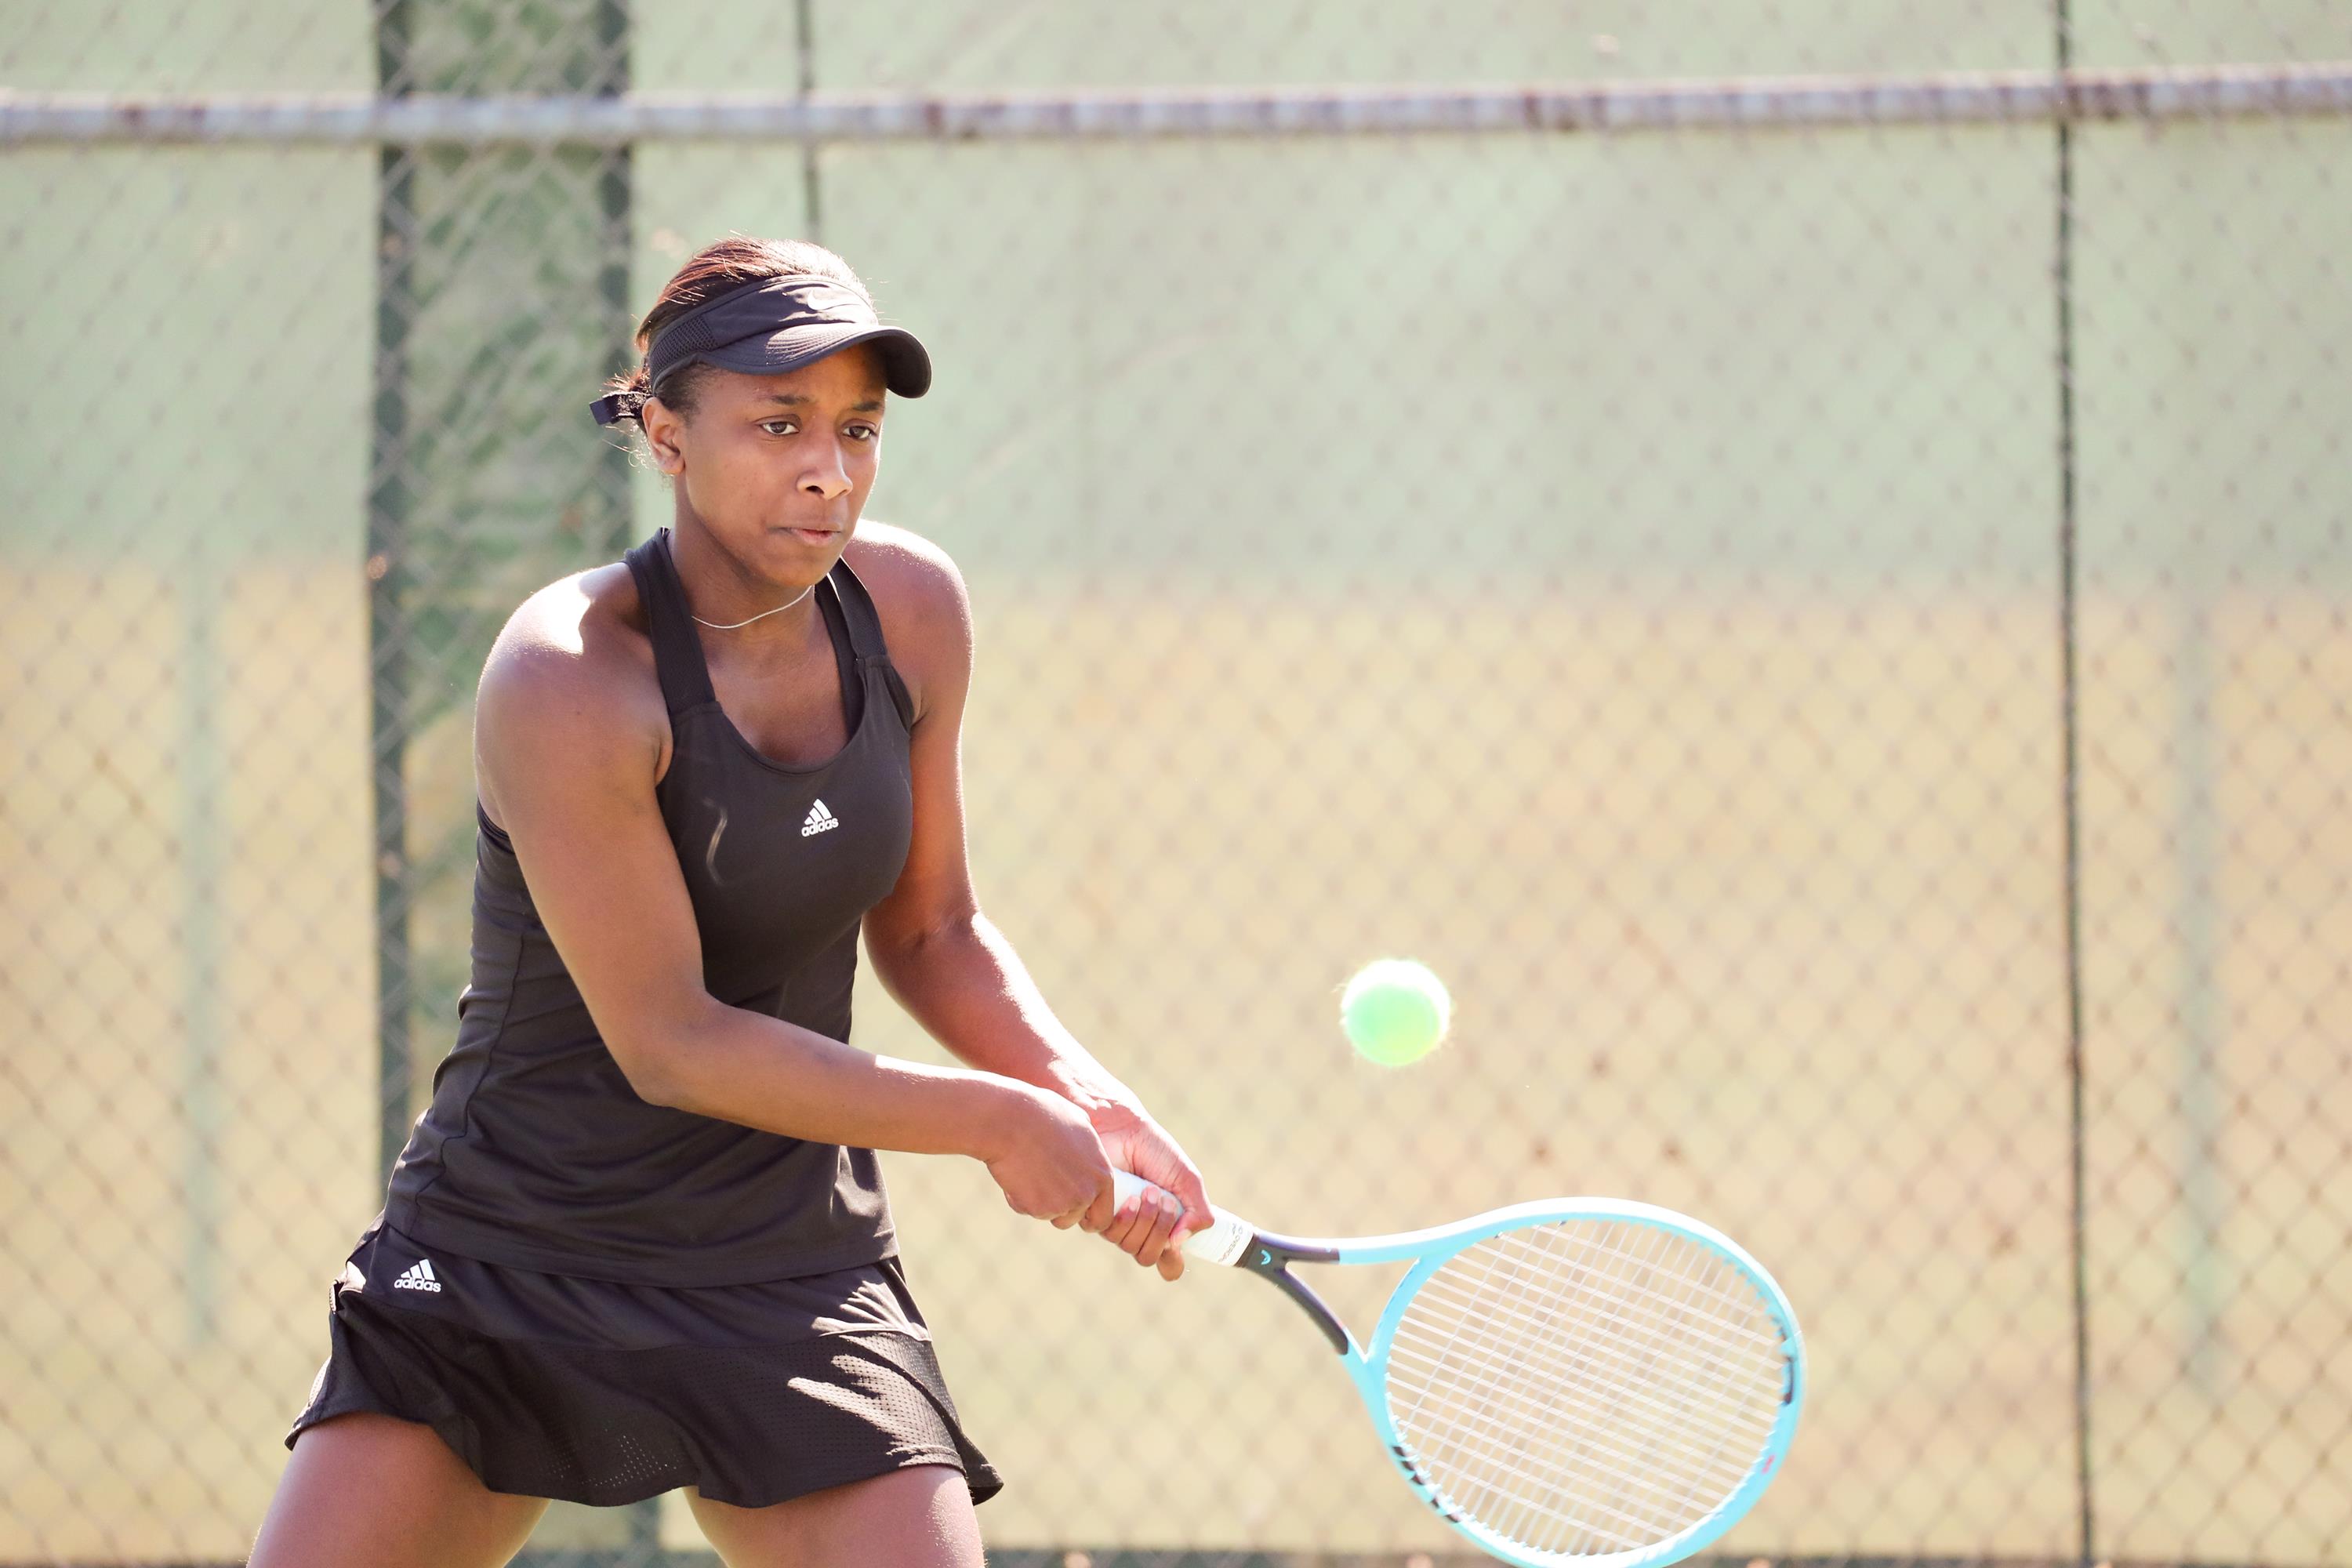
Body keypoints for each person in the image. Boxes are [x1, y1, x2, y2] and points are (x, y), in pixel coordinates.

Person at [249, 235, 1211, 1568]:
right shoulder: (568, 674)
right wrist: (998, 1119)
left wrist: (1086, 1097)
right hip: (507, 1252)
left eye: (858, 429)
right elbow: (673, 1041)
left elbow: (931, 928)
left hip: (790, 1273)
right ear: (662, 432)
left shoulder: (913, 609)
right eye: (777, 423)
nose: (830, 468)